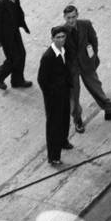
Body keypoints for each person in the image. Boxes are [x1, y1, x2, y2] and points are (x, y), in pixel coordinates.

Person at [62, 5, 111, 131]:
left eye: (73, 17)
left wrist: (93, 57)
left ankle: (109, 111)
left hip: (86, 64)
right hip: (72, 68)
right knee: (73, 96)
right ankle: (77, 120)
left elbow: (94, 41)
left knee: (97, 88)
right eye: (68, 18)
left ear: (77, 15)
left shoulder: (85, 25)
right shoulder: (61, 31)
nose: (71, 20)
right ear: (64, 17)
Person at [38, 27, 73, 166]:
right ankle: (53, 156)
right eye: (57, 37)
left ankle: (63, 141)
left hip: (64, 92)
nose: (61, 40)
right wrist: (52, 94)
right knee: (54, 125)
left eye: (63, 37)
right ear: (52, 39)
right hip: (53, 97)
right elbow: (42, 80)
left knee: (64, 118)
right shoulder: (48, 56)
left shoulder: (64, 51)